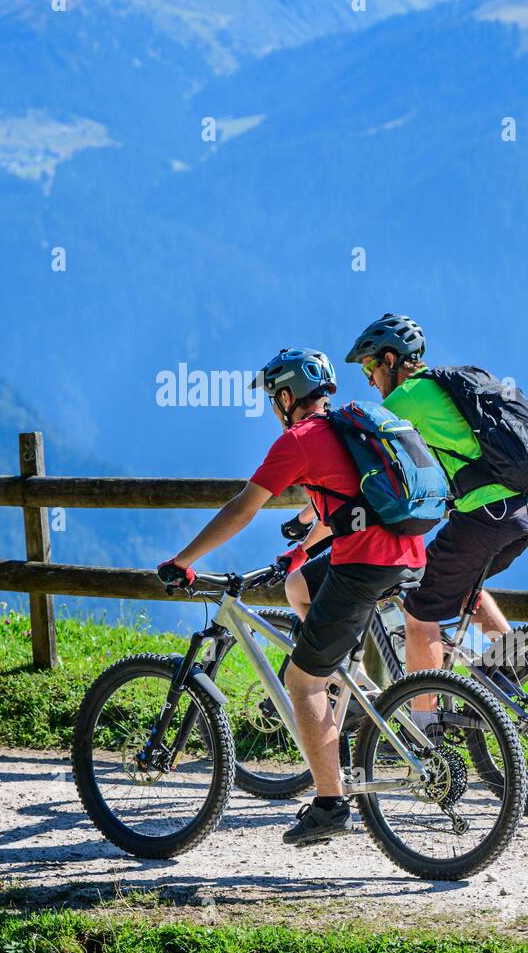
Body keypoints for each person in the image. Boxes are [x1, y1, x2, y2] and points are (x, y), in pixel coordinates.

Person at [157, 347, 424, 845]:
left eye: (272, 399)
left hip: (363, 563)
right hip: (408, 555)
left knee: (302, 683)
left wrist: (184, 560)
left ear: (285, 397)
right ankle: (351, 684)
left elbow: (242, 509)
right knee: (300, 586)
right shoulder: (354, 427)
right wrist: (298, 557)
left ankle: (329, 804)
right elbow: (344, 508)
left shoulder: (301, 440)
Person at [345, 314, 528, 674]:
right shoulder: (442, 386)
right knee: (461, 585)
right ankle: (515, 662)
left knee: (418, 612)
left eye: (369, 369)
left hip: (487, 517)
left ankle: (426, 726)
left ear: (389, 360)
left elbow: (362, 456)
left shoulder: (407, 397)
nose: (370, 381)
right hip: (527, 511)